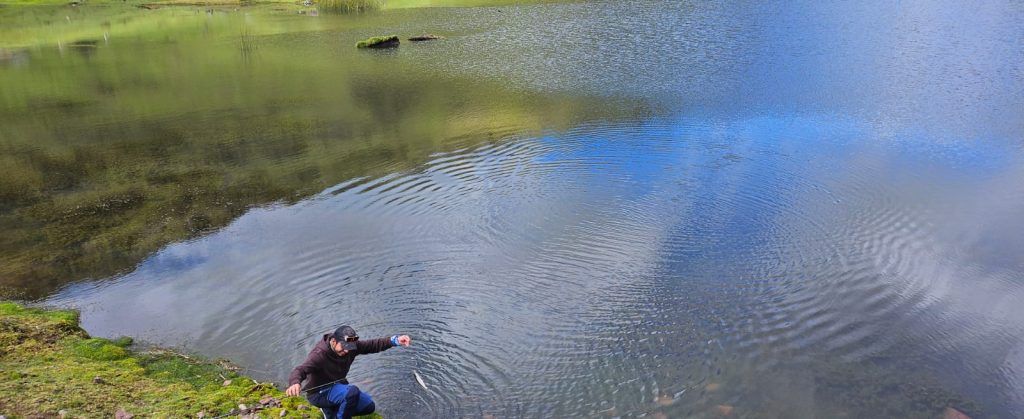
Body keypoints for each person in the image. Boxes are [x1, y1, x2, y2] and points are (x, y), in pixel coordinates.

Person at [286, 325, 411, 419]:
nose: (346, 351)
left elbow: (372, 345)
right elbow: (300, 370)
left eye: (349, 347)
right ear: (333, 341)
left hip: (338, 386)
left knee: (369, 407)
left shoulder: (350, 346)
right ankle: (330, 410)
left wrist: (395, 341)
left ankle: (333, 412)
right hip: (319, 393)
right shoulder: (319, 355)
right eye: (343, 347)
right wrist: (295, 383)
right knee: (352, 392)